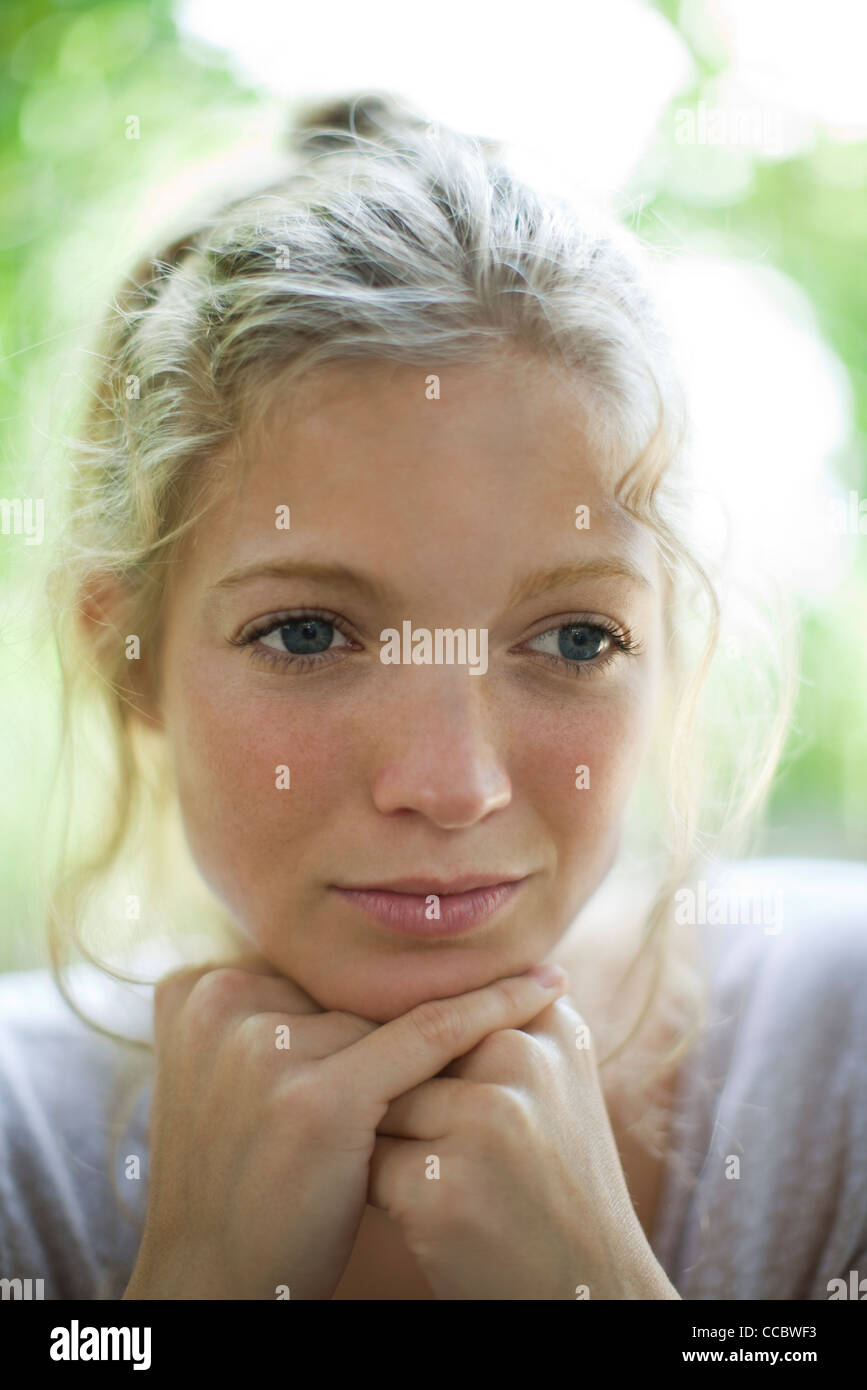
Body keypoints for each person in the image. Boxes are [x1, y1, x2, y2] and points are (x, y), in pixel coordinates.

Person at [1, 91, 864, 1302]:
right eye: (309, 631)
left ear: (671, 650)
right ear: (126, 654)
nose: (452, 784)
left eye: (573, 637)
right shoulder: (18, 1156)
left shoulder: (846, 1050)